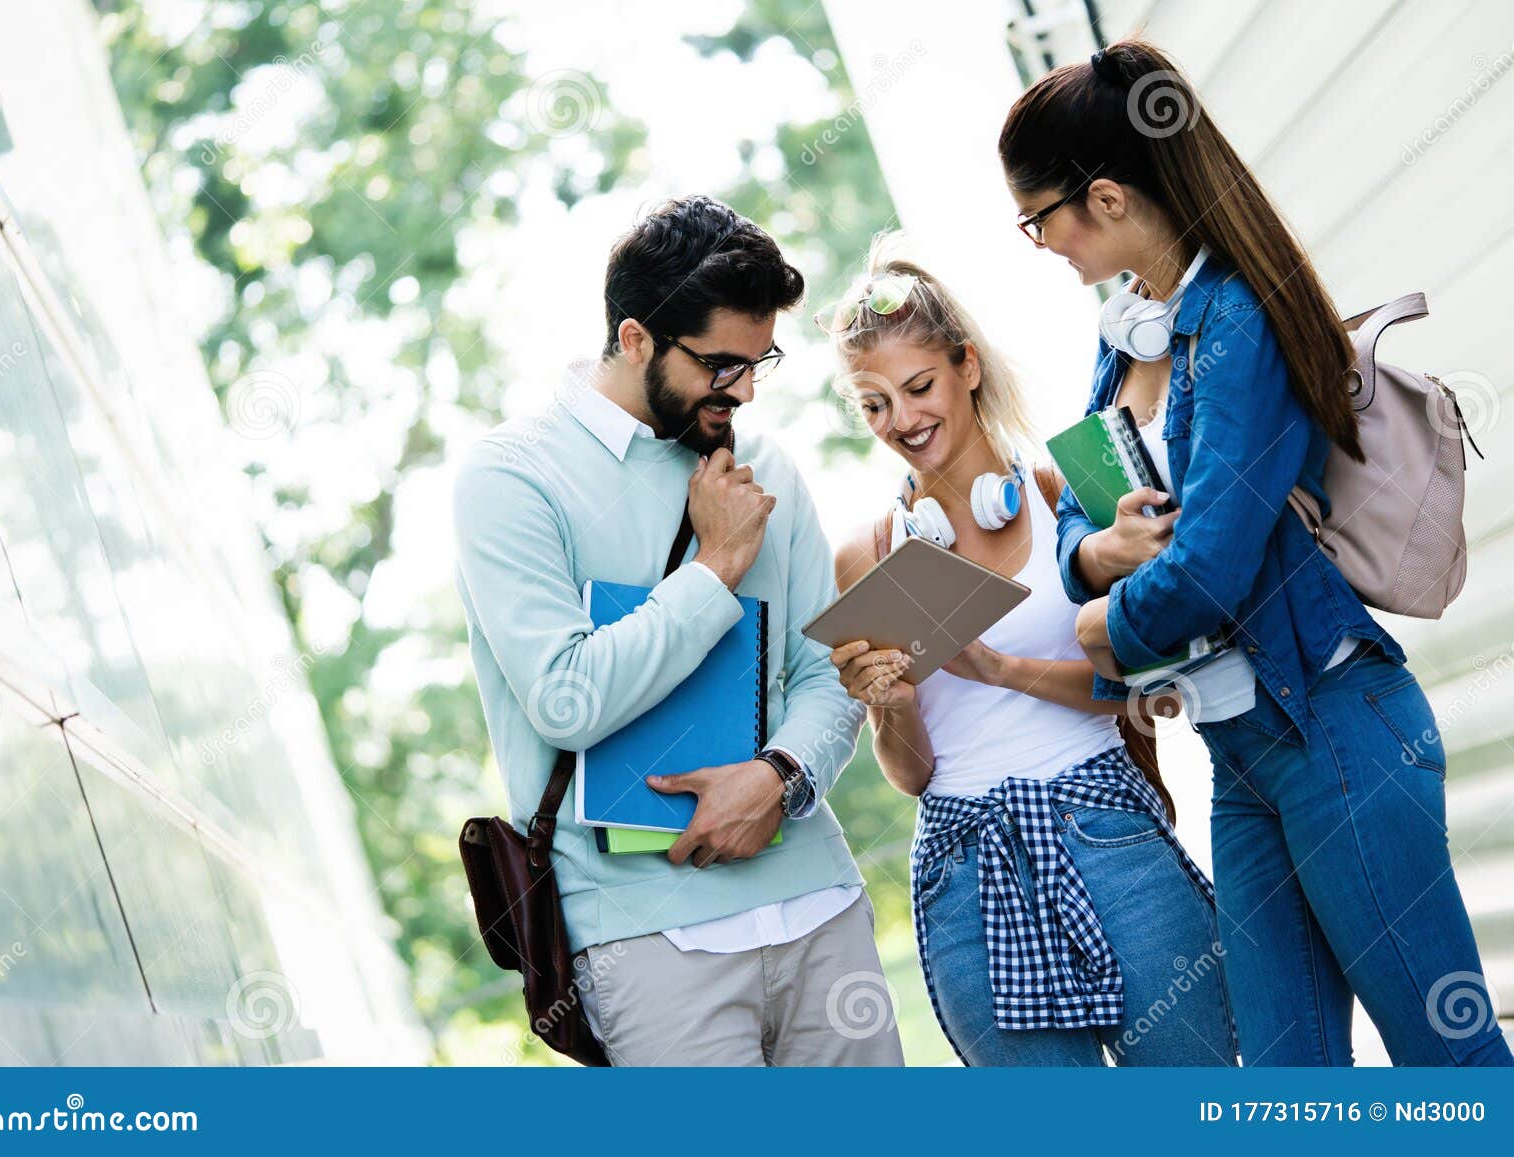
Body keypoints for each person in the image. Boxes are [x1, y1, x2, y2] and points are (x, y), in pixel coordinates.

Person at [999, 38, 1512, 1066]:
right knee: (1286, 1087)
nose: (1036, 241)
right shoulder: (1127, 332)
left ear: (1101, 197)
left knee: (1445, 1057)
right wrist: (1090, 559)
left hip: (1332, 728)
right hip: (1240, 755)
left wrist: (1107, 627)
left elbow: (1214, 563)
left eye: (1035, 218)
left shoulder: (1237, 319)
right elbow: (1079, 493)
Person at [452, 195, 902, 1066]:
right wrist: (716, 567)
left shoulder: (765, 466)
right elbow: (566, 699)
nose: (744, 389)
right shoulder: (511, 480)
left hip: (820, 907)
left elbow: (824, 673)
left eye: (759, 360)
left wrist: (780, 774)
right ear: (634, 339)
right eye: (720, 364)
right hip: (644, 942)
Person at [824, 234, 1234, 1066]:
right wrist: (892, 705)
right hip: (964, 868)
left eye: (918, 386)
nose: (902, 421)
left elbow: (1146, 689)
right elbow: (909, 775)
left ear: (966, 365)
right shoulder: (867, 554)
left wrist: (1002, 669)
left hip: (1106, 828)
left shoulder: (1068, 490)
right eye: (874, 406)